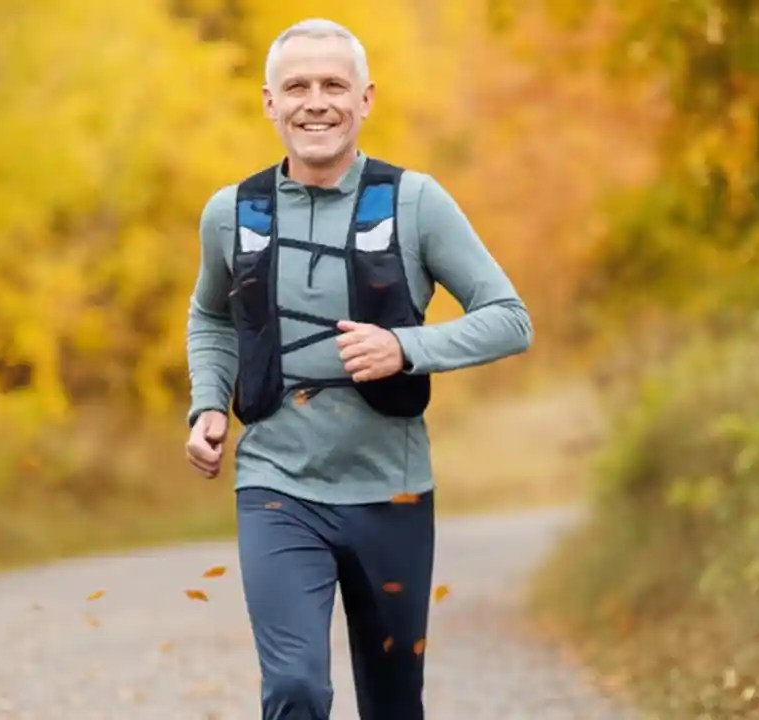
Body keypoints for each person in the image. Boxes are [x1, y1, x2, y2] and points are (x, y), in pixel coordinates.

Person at [183, 17, 532, 720]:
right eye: (298, 87)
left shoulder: (416, 202)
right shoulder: (232, 212)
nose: (317, 102)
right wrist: (208, 405)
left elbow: (509, 318)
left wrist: (407, 348)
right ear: (270, 102)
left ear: (365, 99)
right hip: (277, 487)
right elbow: (211, 315)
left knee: (393, 704)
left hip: (392, 494)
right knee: (295, 690)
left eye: (334, 85)